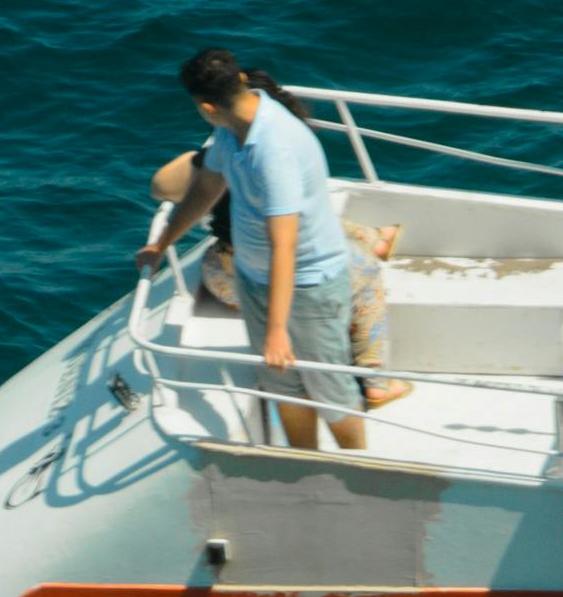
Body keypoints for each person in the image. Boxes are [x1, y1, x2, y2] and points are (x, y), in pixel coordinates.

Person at [141, 58, 408, 441]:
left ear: (206, 107)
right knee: (283, 387)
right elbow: (205, 189)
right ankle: (304, 462)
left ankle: (354, 469)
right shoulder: (230, 130)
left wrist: (278, 331)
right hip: (254, 277)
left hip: (308, 286)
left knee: (332, 393)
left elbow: (285, 243)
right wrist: (160, 244)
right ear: (242, 80)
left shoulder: (274, 149)